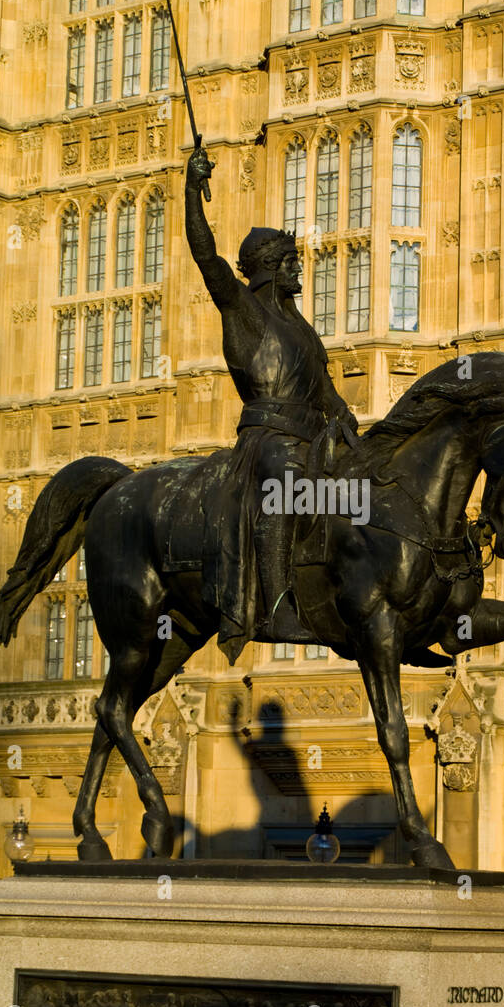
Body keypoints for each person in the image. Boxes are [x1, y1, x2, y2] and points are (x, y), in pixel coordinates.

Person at [185, 145, 361, 662]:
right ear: (267, 268)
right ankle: (278, 606)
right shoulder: (242, 310)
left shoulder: (301, 330)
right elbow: (205, 255)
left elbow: (325, 391)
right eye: (289, 262)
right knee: (286, 486)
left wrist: (348, 421)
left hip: (313, 436)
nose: (296, 270)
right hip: (269, 441)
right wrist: (193, 189)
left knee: (367, 489)